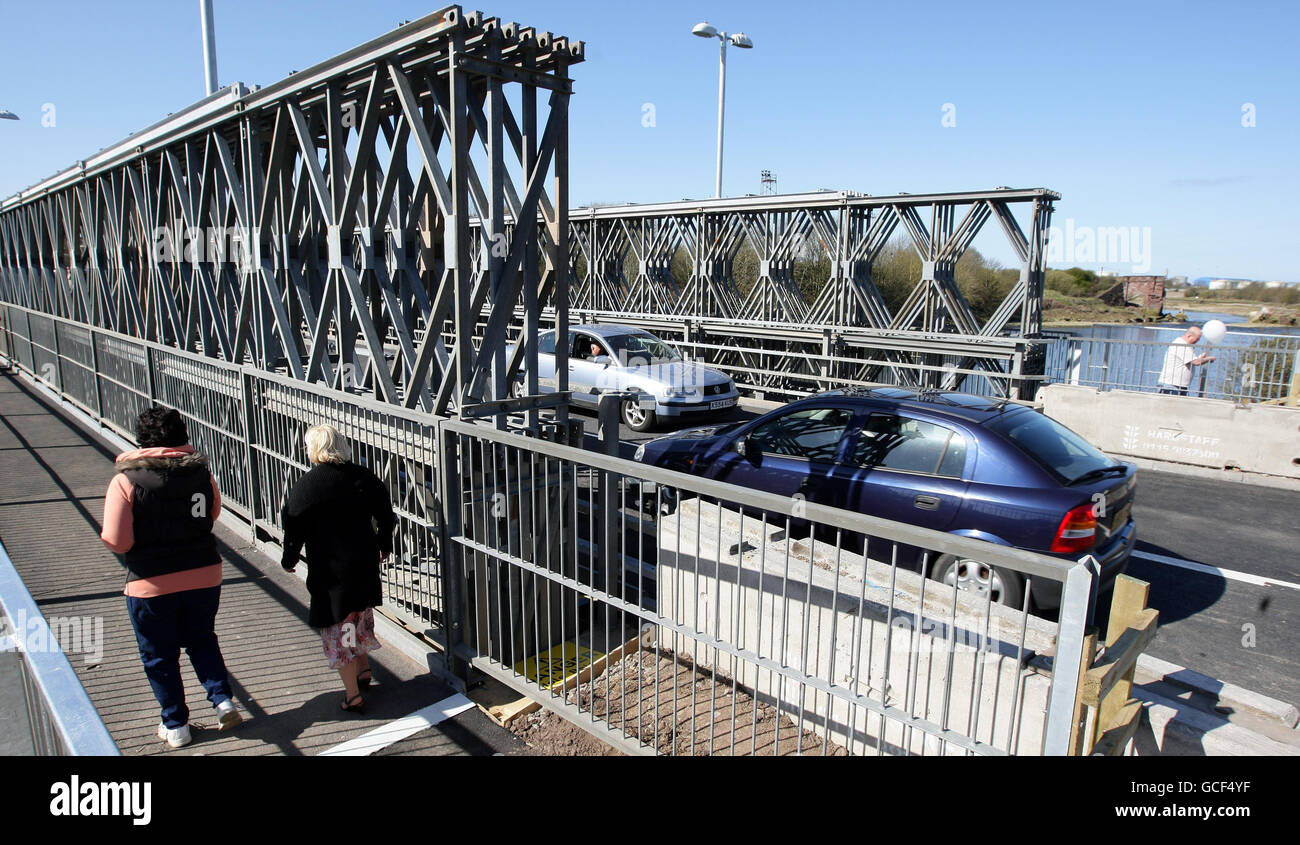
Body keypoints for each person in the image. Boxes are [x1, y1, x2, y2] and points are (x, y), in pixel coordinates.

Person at [100, 406, 242, 749]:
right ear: (183, 438)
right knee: (202, 639)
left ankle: (176, 724)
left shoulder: (126, 481)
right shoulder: (202, 475)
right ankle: (223, 701)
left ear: (142, 441)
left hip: (151, 582)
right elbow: (213, 513)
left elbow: (118, 540)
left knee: (159, 655)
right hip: (204, 572)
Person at [280, 424, 395, 714]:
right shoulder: (362, 477)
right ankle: (364, 670)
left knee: (340, 629)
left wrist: (289, 559)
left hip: (332, 576)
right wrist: (384, 543)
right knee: (358, 618)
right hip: (364, 566)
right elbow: (386, 515)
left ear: (314, 449)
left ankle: (353, 696)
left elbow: (294, 527)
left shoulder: (307, 485)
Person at [1157, 325, 1216, 396]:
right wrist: (1209, 359)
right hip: (1171, 386)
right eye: (1197, 339)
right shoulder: (1181, 345)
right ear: (1189, 336)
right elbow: (1196, 362)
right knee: (1170, 407)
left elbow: (1192, 361)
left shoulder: (1185, 345)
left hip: (1178, 386)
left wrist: (1201, 358)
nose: (1197, 341)